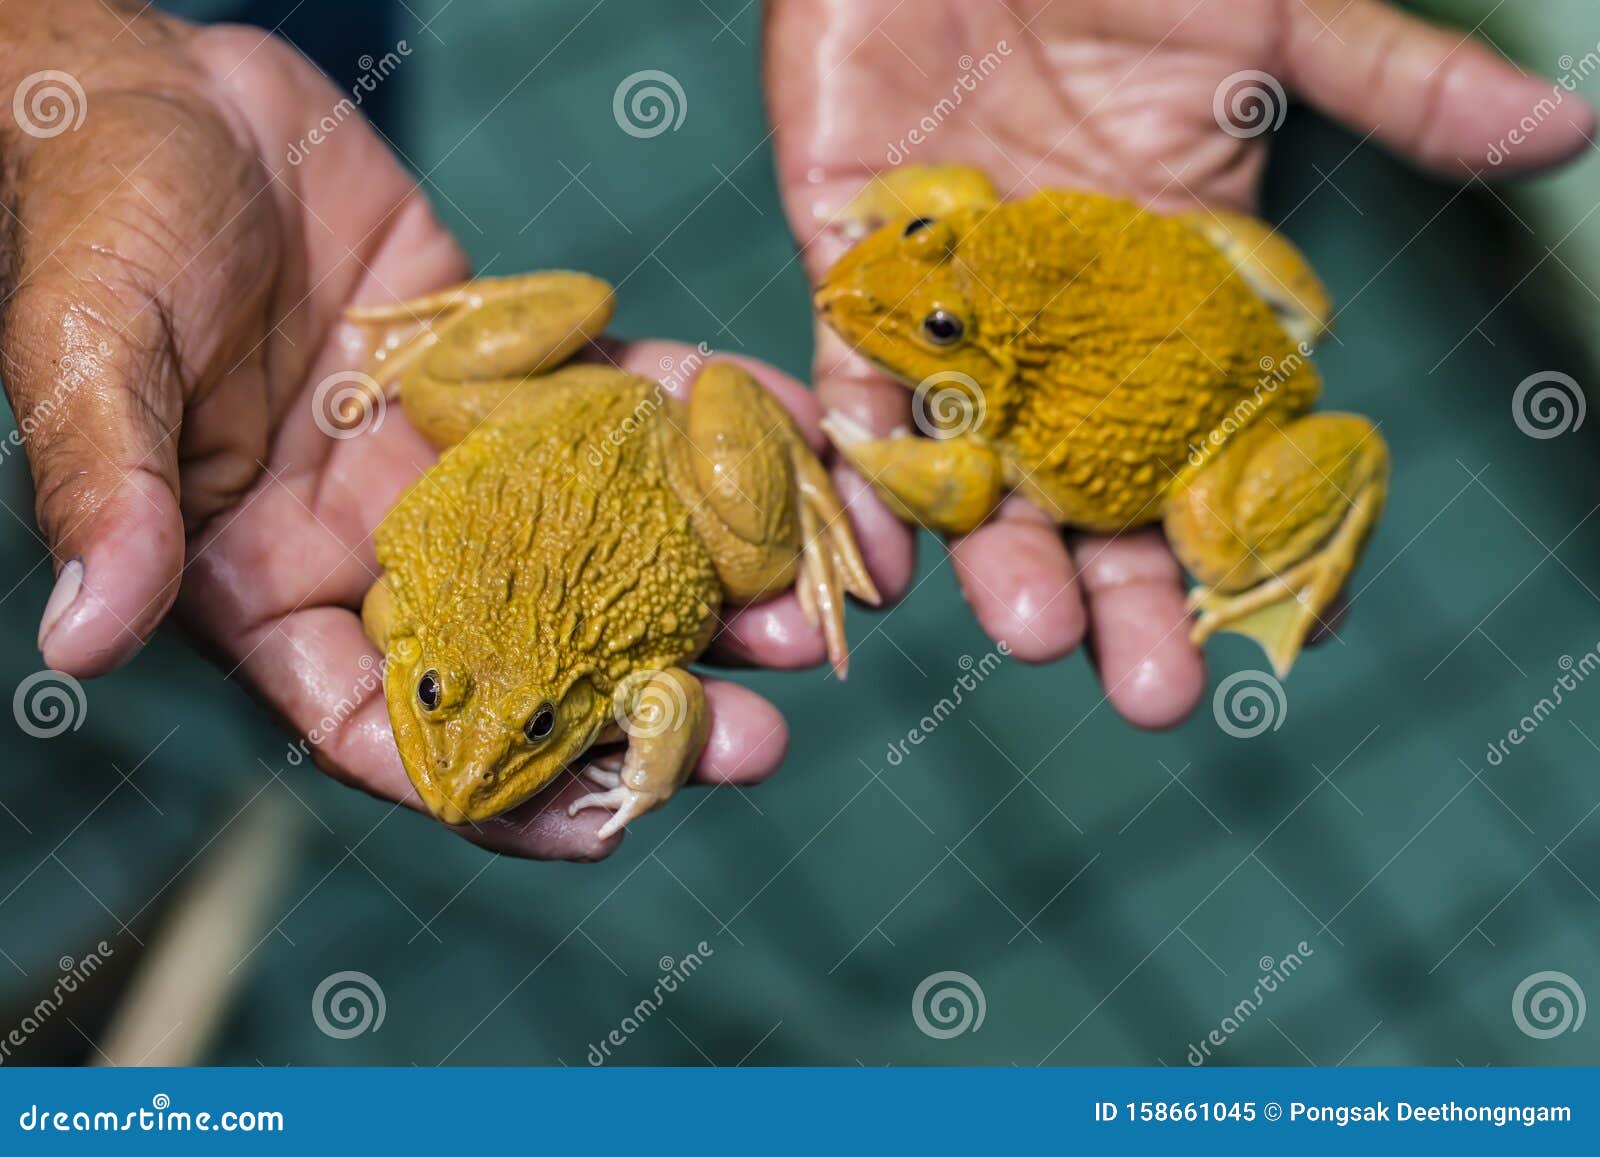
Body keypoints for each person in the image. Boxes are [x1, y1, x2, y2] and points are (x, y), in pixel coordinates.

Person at [1, 0, 1590, 860]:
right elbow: (482, 601)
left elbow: (457, 595)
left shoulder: (457, 624)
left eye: (526, 736)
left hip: (568, 422)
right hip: (561, 438)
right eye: (447, 707)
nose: (477, 755)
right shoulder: (474, 643)